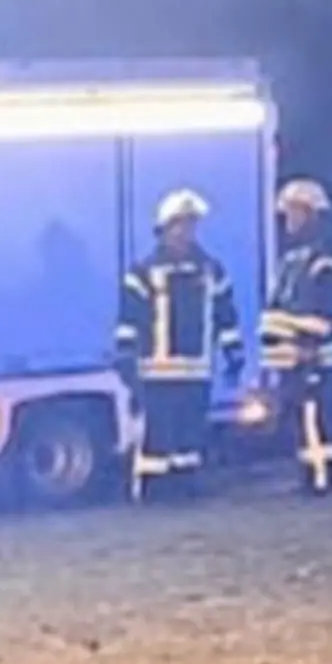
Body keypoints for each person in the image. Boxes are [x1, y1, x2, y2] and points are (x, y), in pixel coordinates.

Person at [113, 190, 242, 502]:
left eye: (191, 225)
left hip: (197, 371)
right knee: (158, 436)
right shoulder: (143, 273)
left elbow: (225, 316)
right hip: (156, 372)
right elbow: (129, 320)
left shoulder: (211, 271)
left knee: (190, 436)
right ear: (164, 229)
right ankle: (154, 490)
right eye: (180, 225)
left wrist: (233, 353)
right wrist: (127, 357)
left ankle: (185, 486)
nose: (186, 232)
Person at [260, 177, 332, 494]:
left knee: (318, 416)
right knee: (301, 419)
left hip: (315, 354)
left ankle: (322, 475)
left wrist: (309, 342)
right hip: (291, 354)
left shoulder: (328, 256)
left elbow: (325, 308)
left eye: (295, 211)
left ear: (313, 214)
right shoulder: (292, 258)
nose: (289, 219)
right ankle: (309, 473)